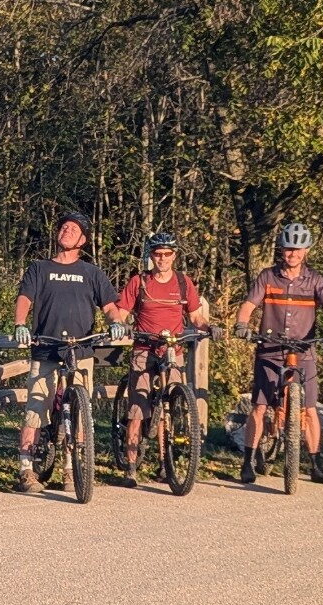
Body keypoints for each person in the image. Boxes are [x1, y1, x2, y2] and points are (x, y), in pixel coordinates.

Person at [10, 211, 128, 494]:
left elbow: (110, 306)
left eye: (74, 229)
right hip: (46, 349)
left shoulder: (92, 273)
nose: (66, 231)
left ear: (83, 240)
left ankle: (71, 469)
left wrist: (116, 323)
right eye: (63, 227)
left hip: (81, 350)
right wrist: (20, 324)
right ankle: (26, 469)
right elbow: (25, 298)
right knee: (35, 410)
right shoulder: (39, 268)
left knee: (80, 412)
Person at [231, 222, 323, 486]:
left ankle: (316, 465)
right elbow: (249, 305)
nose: (293, 254)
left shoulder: (315, 280)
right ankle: (248, 461)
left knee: (309, 409)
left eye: (298, 250)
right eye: (288, 249)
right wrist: (242, 324)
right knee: (260, 406)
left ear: (306, 251)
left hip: (303, 352)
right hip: (270, 350)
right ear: (281, 250)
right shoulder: (267, 276)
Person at [108, 232, 208, 488]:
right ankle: (131, 467)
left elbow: (195, 316)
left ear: (174, 255)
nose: (162, 258)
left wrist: (208, 327)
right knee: (138, 408)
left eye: (167, 254)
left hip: (172, 349)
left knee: (169, 406)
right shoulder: (139, 281)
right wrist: (120, 324)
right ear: (151, 256)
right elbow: (121, 311)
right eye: (157, 253)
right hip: (144, 347)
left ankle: (166, 463)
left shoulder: (184, 282)